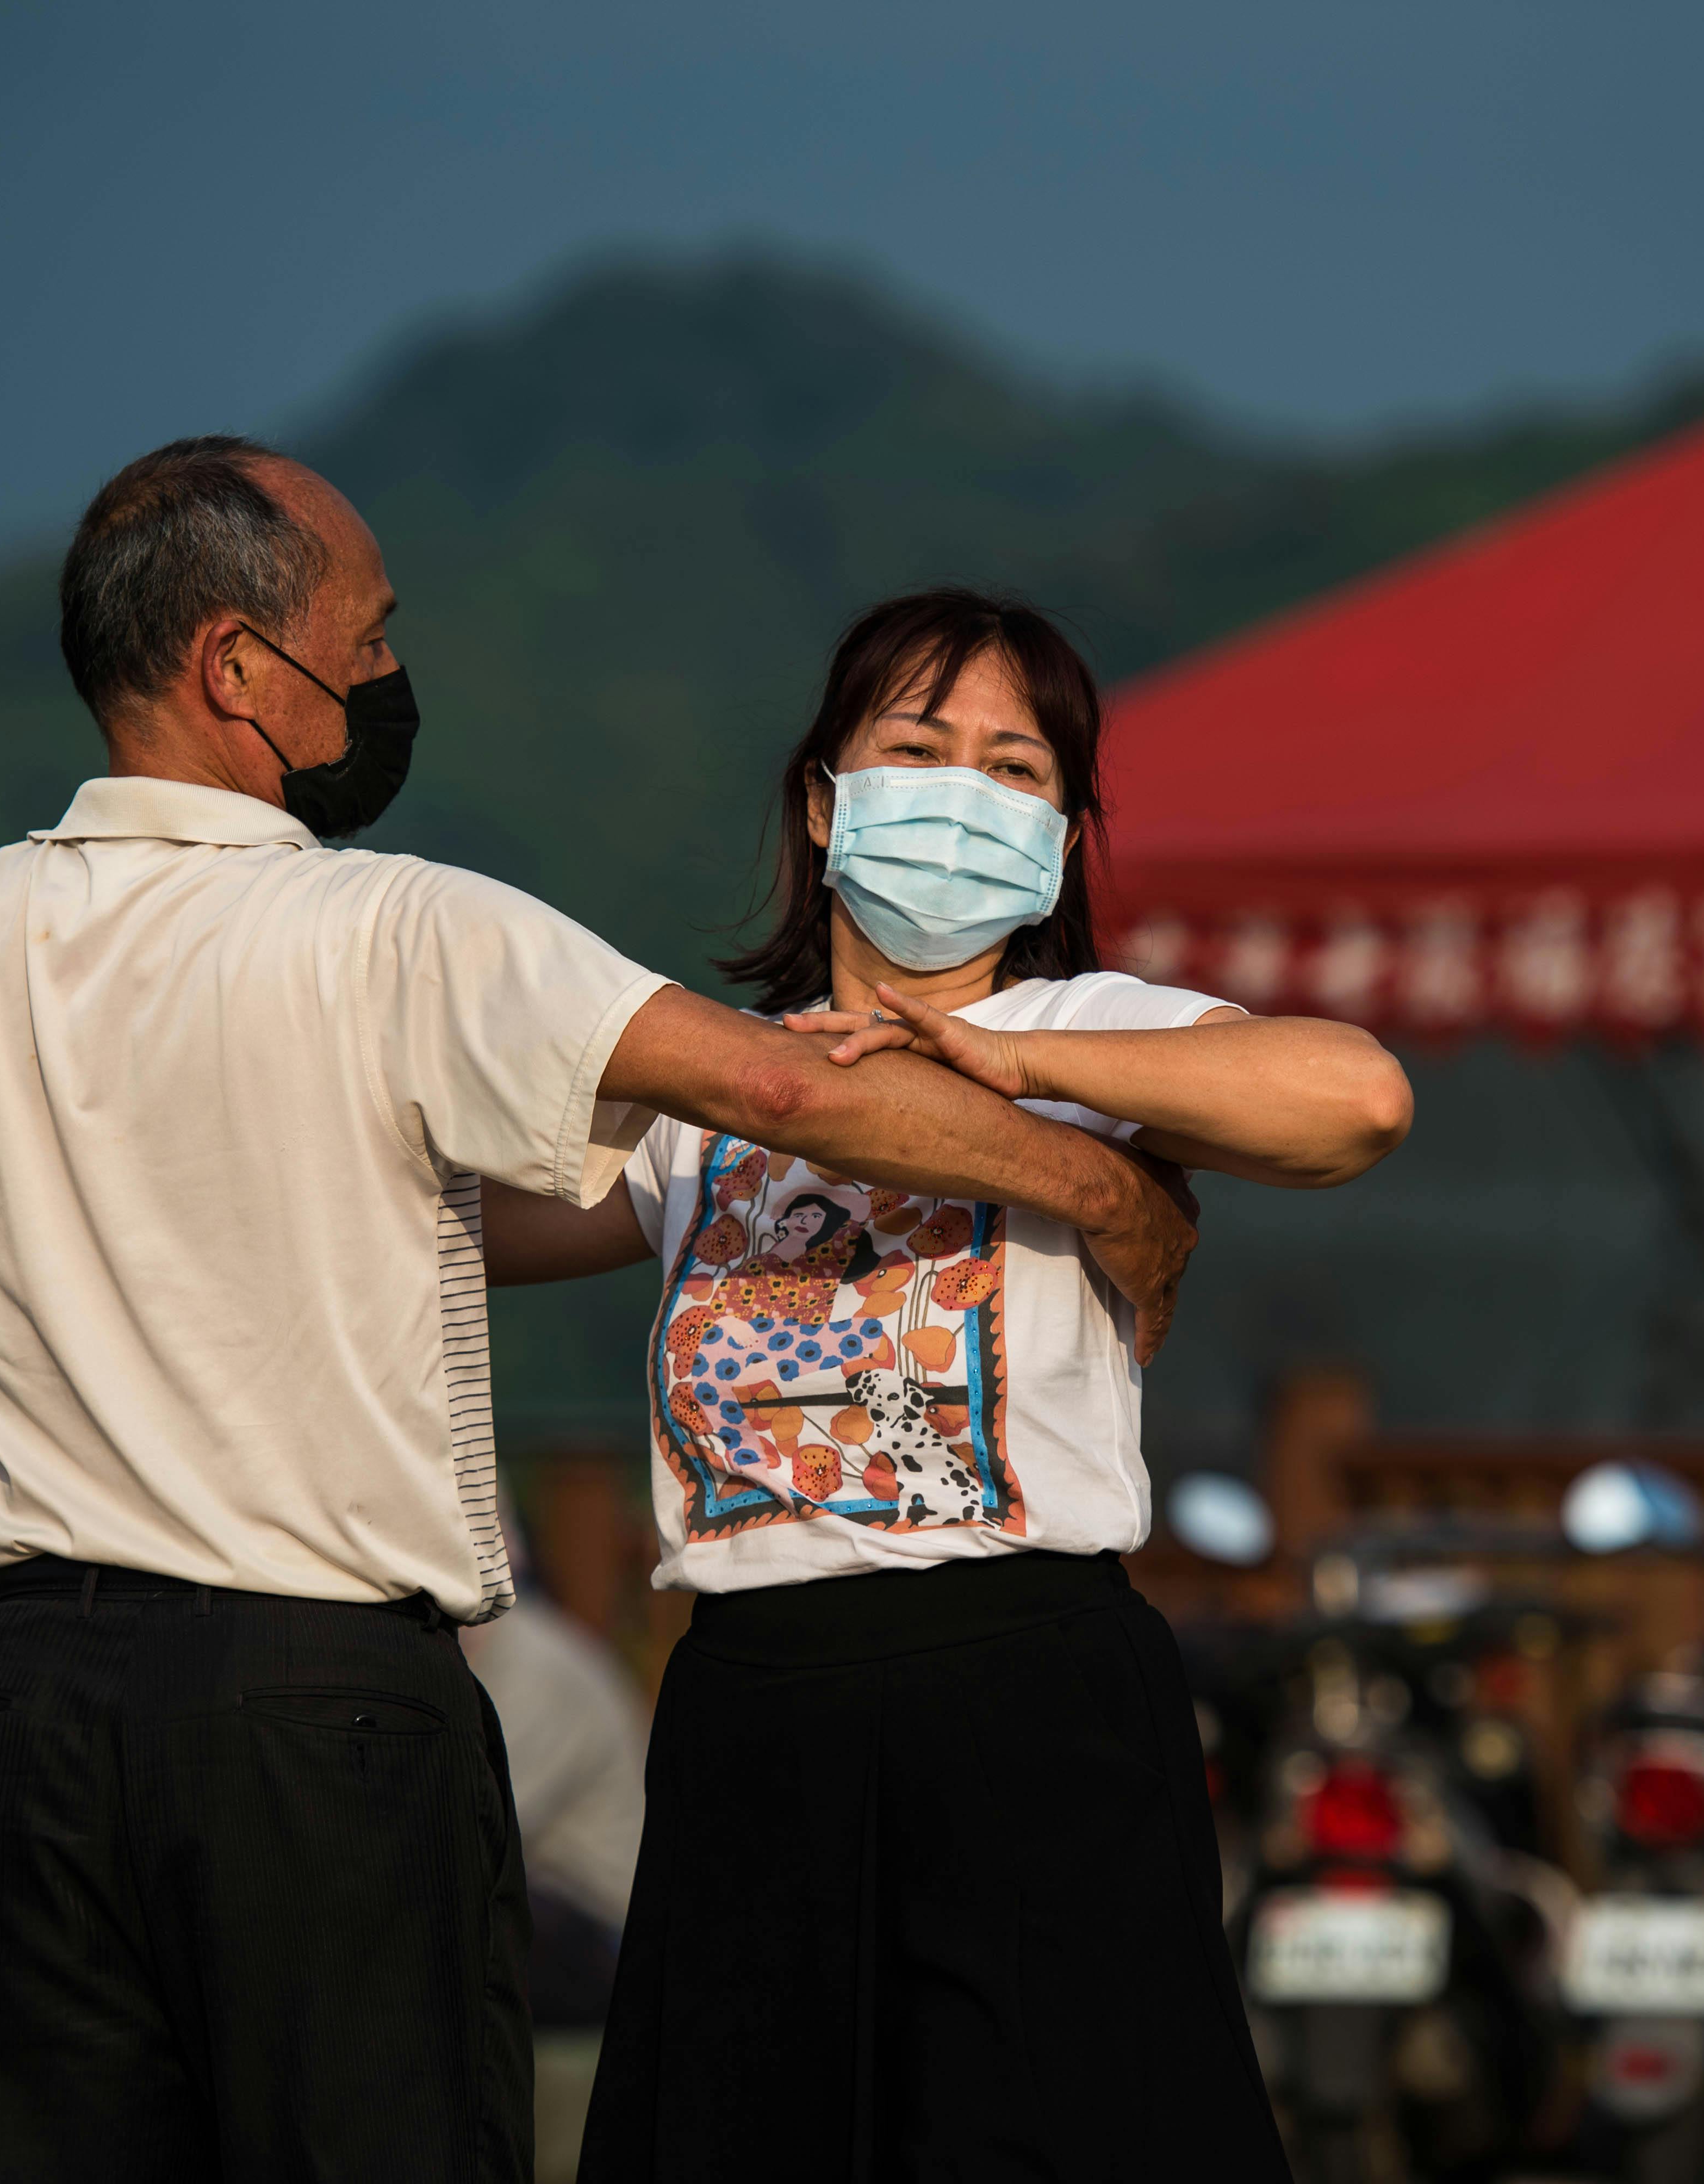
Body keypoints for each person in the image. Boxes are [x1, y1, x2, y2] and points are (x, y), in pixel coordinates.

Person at [0, 448, 1199, 2184]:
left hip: (34, 1704)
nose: (395, 674)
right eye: (372, 631)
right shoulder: (406, 930)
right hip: (318, 1708)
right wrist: (1100, 1190)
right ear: (242, 672)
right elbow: (777, 1093)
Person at [481, 588, 1415, 2182]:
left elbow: (1355, 1100)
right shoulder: (721, 1087)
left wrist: (1017, 1069)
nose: (965, 794)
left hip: (1024, 1693)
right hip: (753, 1706)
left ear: (1061, 839)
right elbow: (463, 1221)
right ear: (823, 798)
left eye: (1017, 770)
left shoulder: (1097, 1036)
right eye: (920, 749)